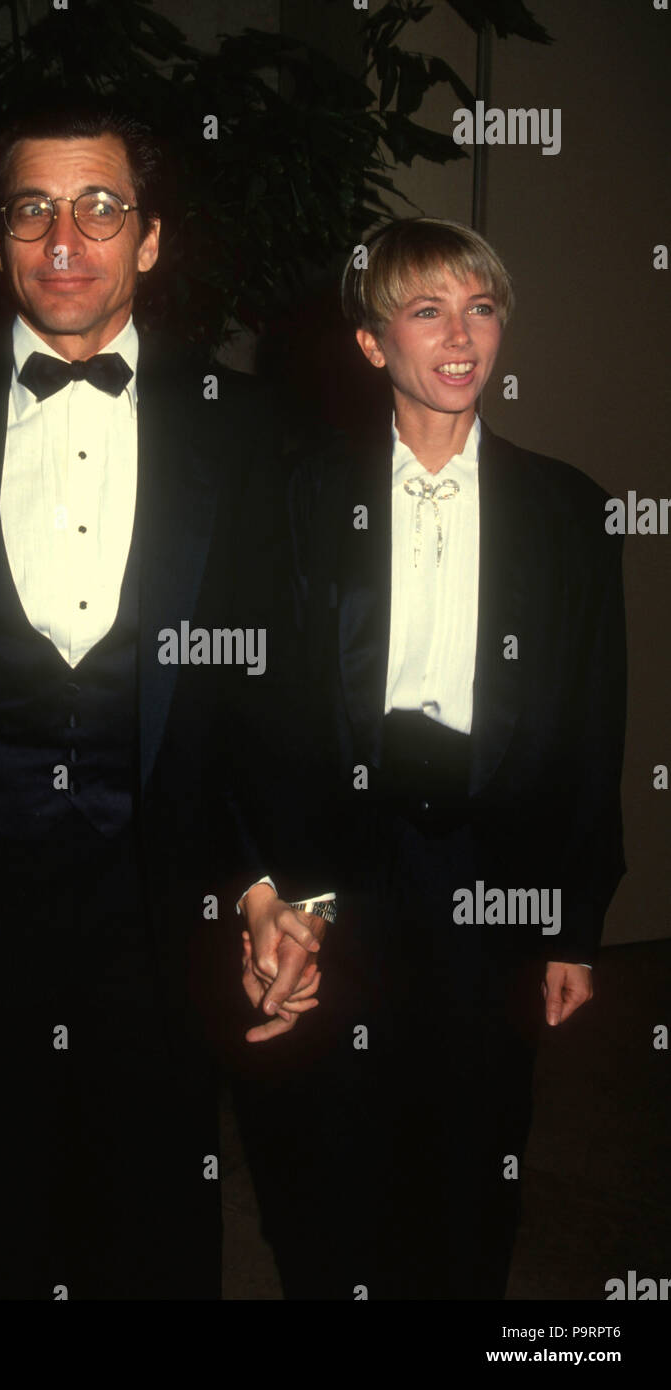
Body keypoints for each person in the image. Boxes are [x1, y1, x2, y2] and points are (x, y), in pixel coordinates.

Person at [0, 104, 321, 1300]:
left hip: (165, 903)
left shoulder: (252, 434)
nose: (65, 240)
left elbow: (278, 685)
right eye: (32, 209)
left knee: (156, 1227)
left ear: (150, 240)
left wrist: (269, 879)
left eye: (101, 206)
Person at [236, 217, 627, 1300]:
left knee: (473, 1161)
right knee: (323, 1155)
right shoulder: (298, 497)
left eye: (482, 307)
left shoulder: (568, 509)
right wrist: (270, 883)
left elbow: (597, 723)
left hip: (489, 870)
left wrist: (575, 923)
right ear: (372, 343)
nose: (461, 336)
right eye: (426, 310)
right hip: (338, 867)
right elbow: (252, 708)